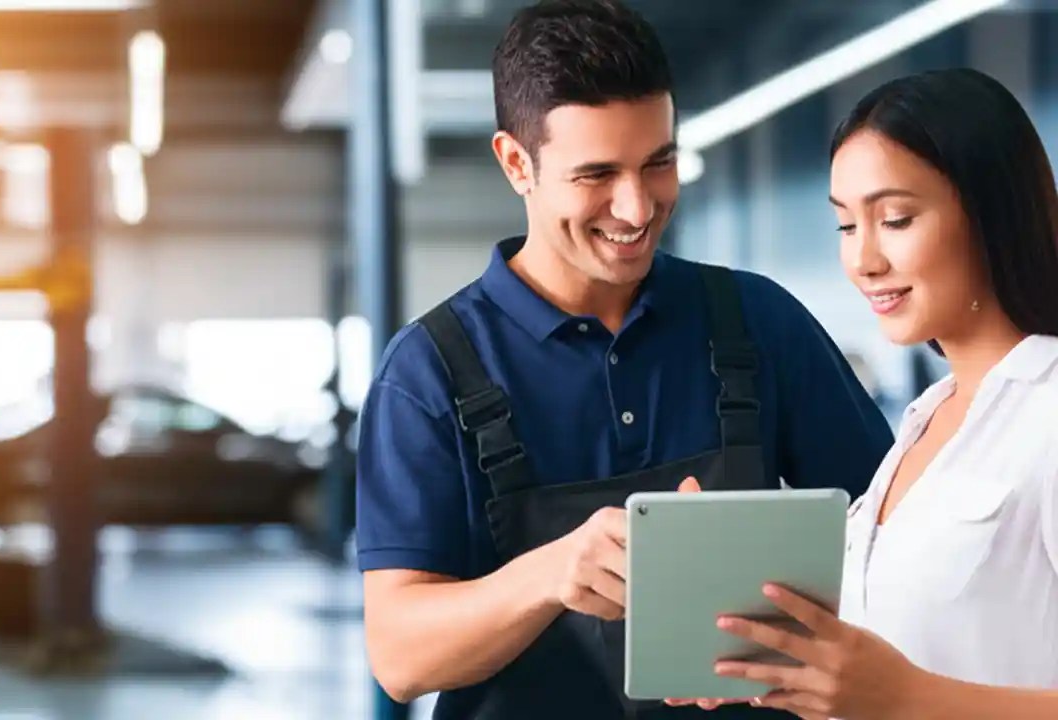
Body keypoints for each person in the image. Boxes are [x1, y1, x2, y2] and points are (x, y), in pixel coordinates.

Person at [355, 1, 894, 718]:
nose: (637, 207)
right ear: (517, 163)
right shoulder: (428, 376)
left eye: (660, 162)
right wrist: (552, 573)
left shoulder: (759, 325)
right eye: (597, 174)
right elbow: (400, 657)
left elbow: (892, 552)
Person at [691, 68, 1058, 719]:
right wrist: (772, 657)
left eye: (894, 219)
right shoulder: (925, 421)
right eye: (844, 226)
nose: (863, 260)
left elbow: (903, 691)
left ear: (990, 212)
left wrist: (908, 699)